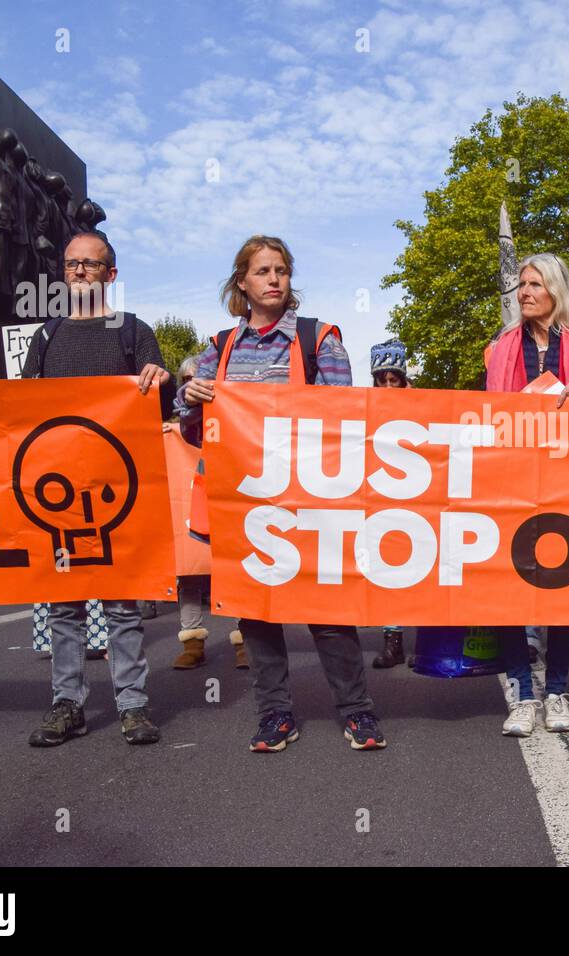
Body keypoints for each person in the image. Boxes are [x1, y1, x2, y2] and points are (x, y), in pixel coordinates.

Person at [177, 234, 385, 752]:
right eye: (263, 271)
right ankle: (275, 716)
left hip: (311, 495)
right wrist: (191, 397)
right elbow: (192, 429)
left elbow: (345, 418)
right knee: (258, 613)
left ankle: (357, 712)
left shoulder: (320, 339)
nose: (274, 279)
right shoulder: (220, 347)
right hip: (245, 501)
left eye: (282, 270)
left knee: (328, 609)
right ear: (242, 282)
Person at [20, 230, 172, 747]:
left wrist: (161, 380)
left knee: (121, 606)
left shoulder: (133, 333)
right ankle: (68, 705)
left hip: (117, 493)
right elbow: (23, 411)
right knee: (64, 606)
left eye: (90, 264)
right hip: (57, 492)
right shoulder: (47, 336)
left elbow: (161, 410)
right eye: (71, 264)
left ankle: (132, 705)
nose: (79, 271)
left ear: (111, 274)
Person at [483, 252, 569, 736]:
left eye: (535, 284)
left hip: (565, 482)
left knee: (560, 589)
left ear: (556, 290)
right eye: (522, 285)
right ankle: (521, 693)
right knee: (508, 593)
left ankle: (556, 692)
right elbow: (483, 415)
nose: (525, 292)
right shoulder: (498, 348)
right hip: (510, 481)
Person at [170, 356, 249, 671]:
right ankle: (192, 643)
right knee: (189, 569)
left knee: (232, 567)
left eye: (200, 379)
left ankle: (245, 640)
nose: (195, 384)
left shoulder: (232, 414)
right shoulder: (177, 424)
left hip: (225, 487)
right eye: (188, 380)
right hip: (194, 498)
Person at [367, 338, 411, 669]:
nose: (387, 387)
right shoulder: (367, 407)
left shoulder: (425, 404)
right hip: (383, 500)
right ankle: (392, 640)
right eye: (381, 381)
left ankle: (432, 642)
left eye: (393, 380)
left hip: (420, 501)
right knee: (390, 570)